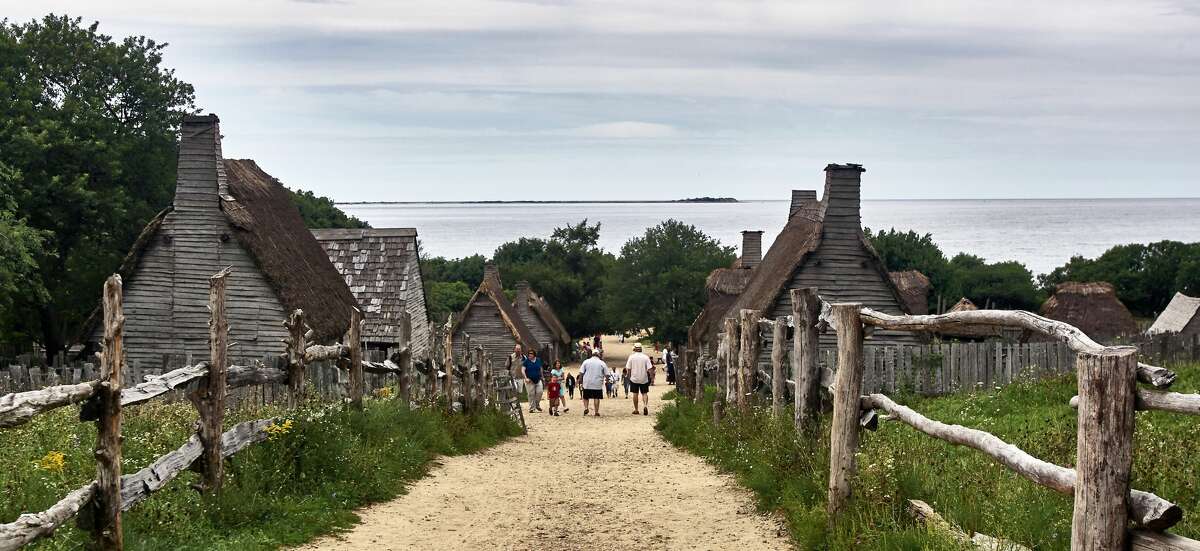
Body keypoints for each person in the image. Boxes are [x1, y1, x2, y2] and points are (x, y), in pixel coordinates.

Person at [579, 348, 611, 416]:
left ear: (592, 354)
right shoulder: (602, 363)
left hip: (587, 383)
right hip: (597, 384)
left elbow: (581, 372)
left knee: (586, 397)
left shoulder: (586, 361)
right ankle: (596, 412)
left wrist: (580, 381)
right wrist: (607, 381)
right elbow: (607, 374)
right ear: (598, 355)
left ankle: (586, 408)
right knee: (596, 398)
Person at [626, 343, 653, 415]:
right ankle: (645, 405)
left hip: (634, 378)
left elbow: (628, 368)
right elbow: (650, 369)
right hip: (644, 378)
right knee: (644, 393)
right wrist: (651, 377)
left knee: (635, 394)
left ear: (634, 349)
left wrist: (629, 377)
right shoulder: (645, 357)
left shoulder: (631, 357)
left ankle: (636, 409)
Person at [522, 348, 544, 413]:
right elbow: (523, 370)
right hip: (529, 380)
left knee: (540, 392)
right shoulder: (526, 361)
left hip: (538, 379)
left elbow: (540, 368)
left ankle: (537, 404)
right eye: (529, 353)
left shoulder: (538, 360)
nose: (530, 355)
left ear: (534, 354)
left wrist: (542, 377)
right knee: (531, 394)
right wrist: (525, 378)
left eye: (531, 353)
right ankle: (532, 408)